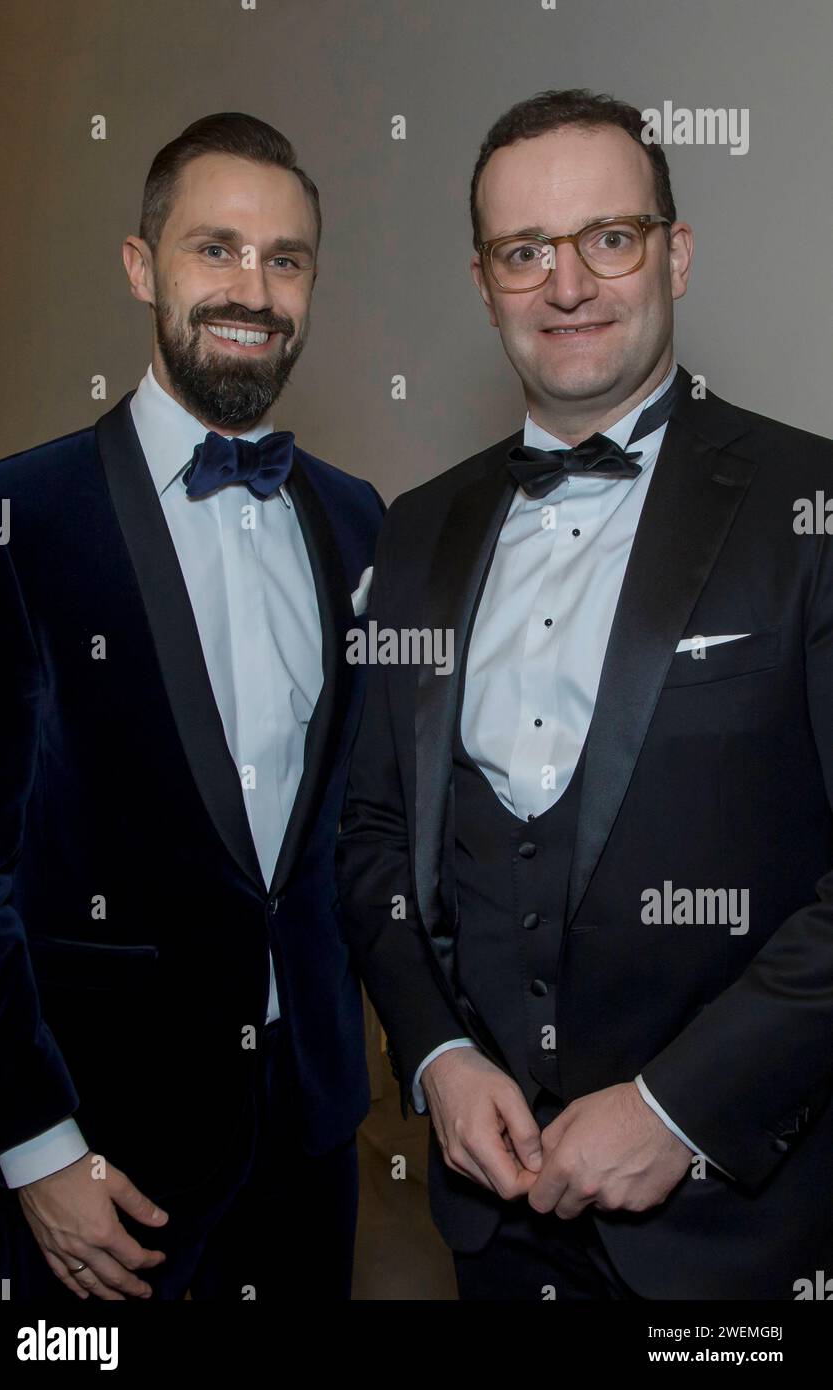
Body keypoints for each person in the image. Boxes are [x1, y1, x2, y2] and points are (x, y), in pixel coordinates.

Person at [336, 88, 833, 1300]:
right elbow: (372, 835)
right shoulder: (414, 533)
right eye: (524, 252)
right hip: (491, 1228)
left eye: (608, 238)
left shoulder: (806, 508)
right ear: (482, 280)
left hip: (737, 1233)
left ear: (674, 251)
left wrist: (677, 1107)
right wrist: (439, 1052)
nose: (567, 285)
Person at [0, 112, 382, 1301]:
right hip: (98, 1144)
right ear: (142, 266)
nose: (252, 287)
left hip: (308, 1125)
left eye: (285, 258)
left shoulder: (358, 519)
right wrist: (36, 1146)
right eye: (217, 249)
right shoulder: (9, 523)